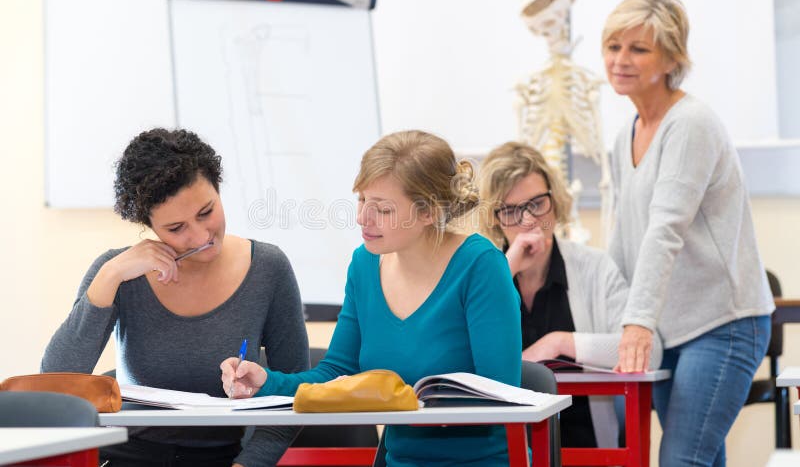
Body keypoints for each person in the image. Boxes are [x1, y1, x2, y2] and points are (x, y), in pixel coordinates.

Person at [221, 130, 522, 467]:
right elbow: (336, 374)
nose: (363, 218)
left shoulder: (480, 266)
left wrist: (401, 401)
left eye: (383, 209)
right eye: (362, 200)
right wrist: (266, 381)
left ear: (428, 212)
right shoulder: (364, 265)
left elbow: (499, 396)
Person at [42, 128, 309, 467]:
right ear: (148, 225)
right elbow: (52, 384)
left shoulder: (268, 269)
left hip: (222, 458)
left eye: (206, 212)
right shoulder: (120, 273)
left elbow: (296, 394)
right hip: (122, 454)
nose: (200, 237)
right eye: (175, 228)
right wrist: (109, 275)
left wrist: (249, 464)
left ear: (218, 189)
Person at [603, 0, 774, 467]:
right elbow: (623, 238)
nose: (621, 60)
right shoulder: (627, 133)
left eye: (638, 49)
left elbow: (665, 229)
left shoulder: (691, 124)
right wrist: (612, 316)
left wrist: (635, 324)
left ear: (673, 58)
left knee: (682, 460)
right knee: (700, 456)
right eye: (613, 46)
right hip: (669, 328)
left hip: (723, 323)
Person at [478, 141, 662, 449]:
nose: (528, 221)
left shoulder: (594, 268)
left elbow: (650, 351)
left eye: (537, 204)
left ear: (555, 201)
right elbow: (455, 363)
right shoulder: (485, 277)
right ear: (495, 219)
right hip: (501, 451)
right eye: (510, 211)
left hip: (585, 445)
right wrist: (505, 270)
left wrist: (560, 342)